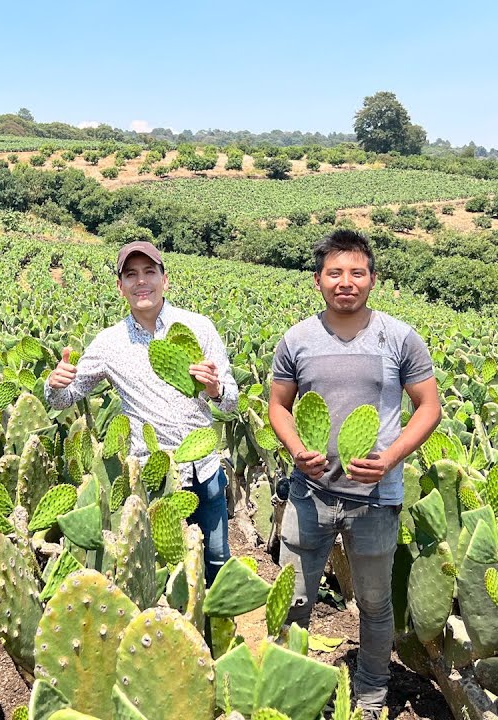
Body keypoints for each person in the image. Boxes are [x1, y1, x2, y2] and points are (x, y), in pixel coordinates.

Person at [267, 228, 442, 715]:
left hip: (376, 499)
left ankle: (370, 694)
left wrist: (390, 459)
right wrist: (296, 449)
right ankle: (289, 690)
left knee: (374, 604)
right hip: (310, 492)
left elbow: (429, 406)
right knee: (293, 599)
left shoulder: (400, 337)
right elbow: (278, 406)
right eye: (335, 273)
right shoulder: (297, 339)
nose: (346, 282)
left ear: (372, 279)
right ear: (318, 280)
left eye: (357, 273)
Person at [44, 240, 237, 583]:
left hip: (204, 470)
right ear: (120, 286)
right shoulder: (109, 343)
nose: (141, 281)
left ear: (165, 280)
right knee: (160, 574)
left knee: (217, 564)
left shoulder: (198, 327)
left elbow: (231, 401)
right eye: (131, 274)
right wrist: (55, 384)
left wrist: (215, 389)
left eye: (149, 271)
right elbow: (64, 399)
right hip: (152, 477)